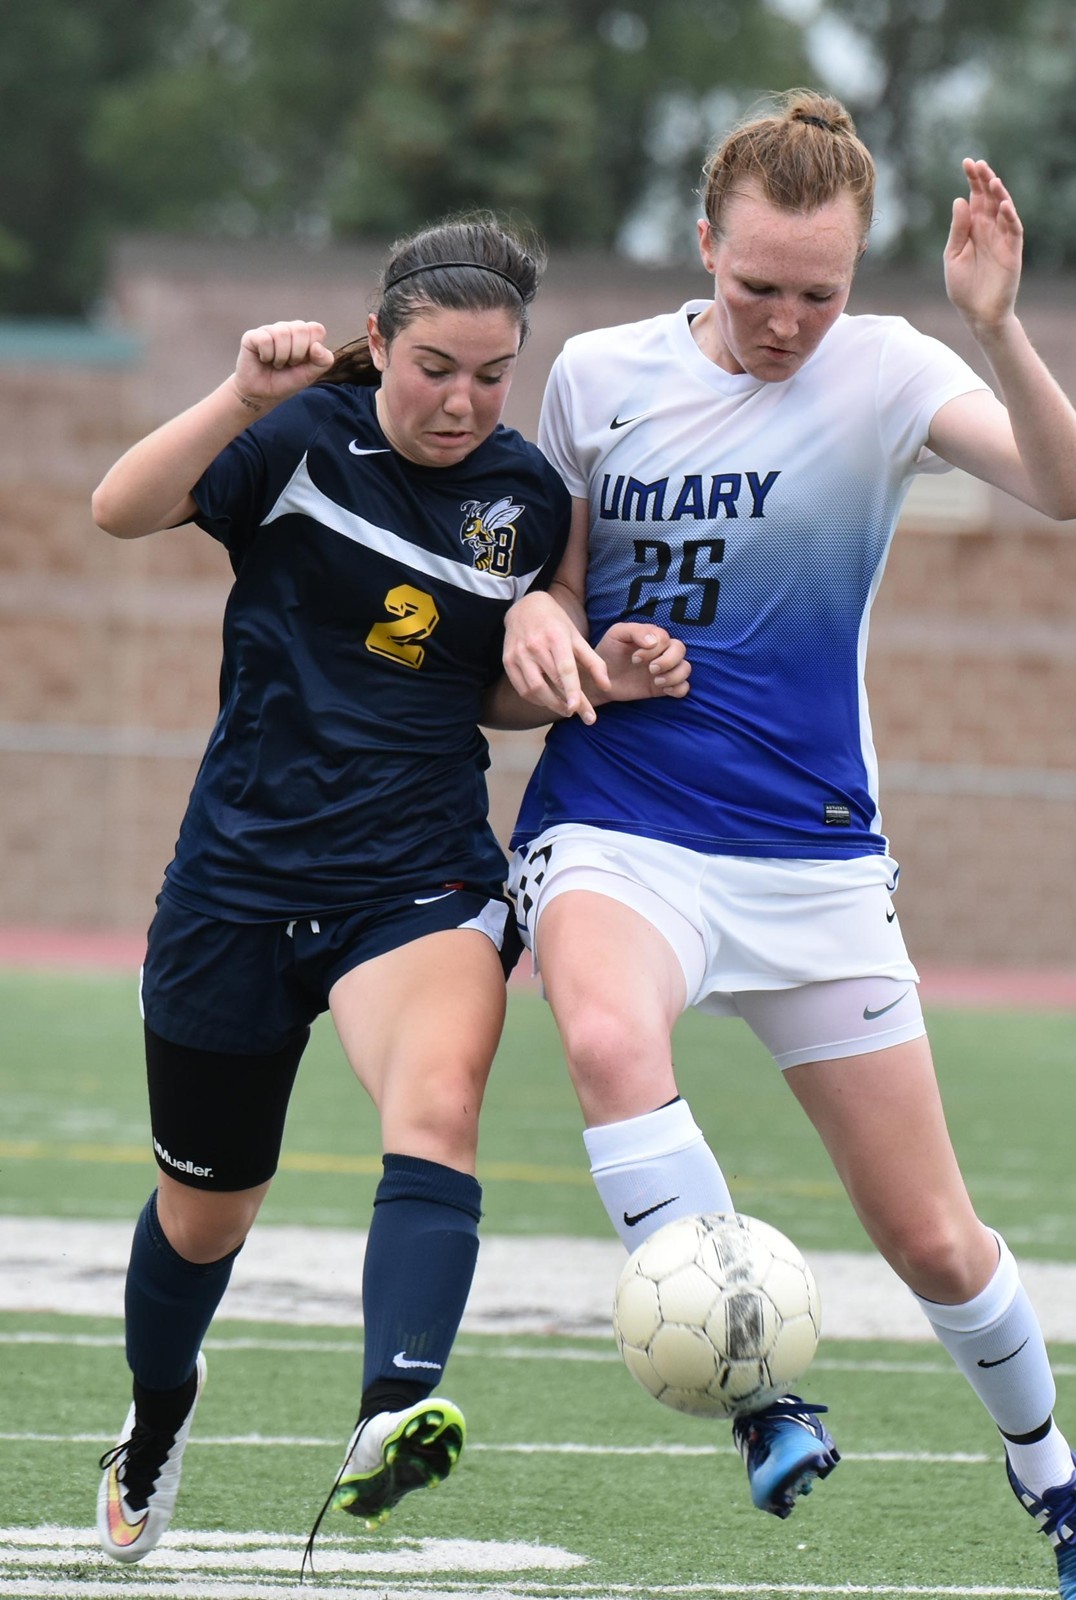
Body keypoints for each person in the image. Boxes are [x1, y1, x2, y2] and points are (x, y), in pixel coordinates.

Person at [500, 90, 1076, 1599]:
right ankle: (762, 1390)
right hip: (624, 821)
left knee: (933, 1240)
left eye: (821, 291)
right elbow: (551, 595)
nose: (788, 319)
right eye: (758, 287)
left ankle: (1062, 1490)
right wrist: (584, 648)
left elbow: (1071, 491)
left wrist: (996, 324)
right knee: (604, 1038)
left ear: (858, 282)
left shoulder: (890, 373)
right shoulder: (600, 378)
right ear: (704, 247)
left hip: (812, 860)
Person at [88, 214, 689, 1567]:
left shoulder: (529, 497)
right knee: (207, 1210)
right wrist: (245, 390)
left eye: (491, 374)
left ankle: (395, 1409)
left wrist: (582, 675)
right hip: (236, 880)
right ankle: (159, 1411)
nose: (463, 401)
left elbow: (478, 678)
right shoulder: (297, 440)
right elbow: (119, 508)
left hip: (414, 874)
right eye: (434, 368)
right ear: (379, 343)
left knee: (438, 1103)